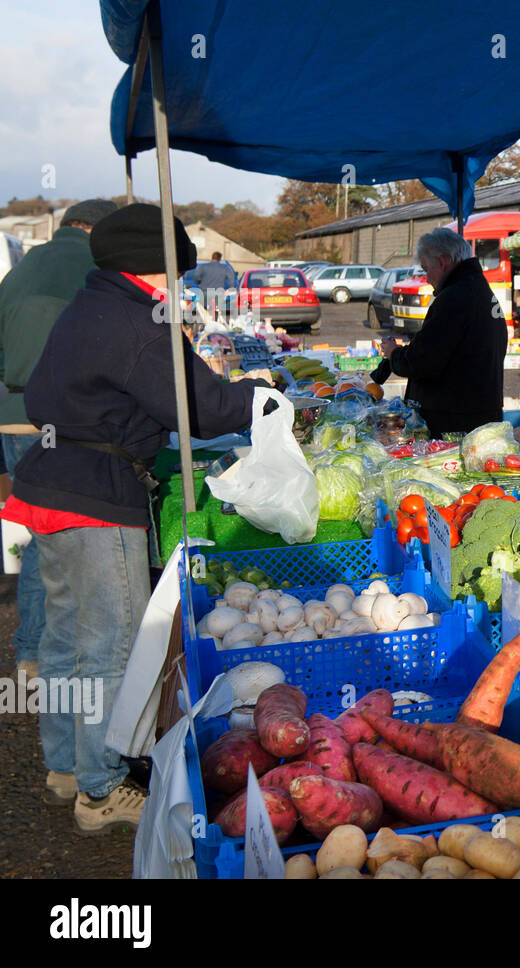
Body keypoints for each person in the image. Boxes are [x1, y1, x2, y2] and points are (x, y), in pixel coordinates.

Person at [1, 203, 269, 831]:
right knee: (112, 648)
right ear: (157, 266)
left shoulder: (90, 303)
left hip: (50, 488)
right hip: (94, 497)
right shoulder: (139, 322)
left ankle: (66, 768)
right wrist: (262, 396)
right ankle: (101, 790)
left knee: (64, 642)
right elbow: (200, 407)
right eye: (177, 268)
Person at [0, 198, 117, 683]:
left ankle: (29, 655)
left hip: (11, 418)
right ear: (96, 231)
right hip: (61, 421)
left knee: (36, 536)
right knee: (67, 541)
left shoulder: (20, 271)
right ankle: (69, 661)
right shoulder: (92, 269)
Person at [378, 229, 506, 435]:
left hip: (455, 420)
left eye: (426, 269)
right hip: (478, 410)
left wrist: (394, 353)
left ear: (443, 261)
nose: (427, 278)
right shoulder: (477, 289)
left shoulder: (456, 297)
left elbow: (423, 360)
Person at [190, 250, 237, 318]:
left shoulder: (202, 266)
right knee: (217, 310)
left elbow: (196, 276)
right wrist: (230, 289)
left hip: (205, 292)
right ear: (220, 259)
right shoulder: (225, 268)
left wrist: (198, 282)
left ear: (211, 257)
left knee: (202, 309)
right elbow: (231, 278)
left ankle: (203, 322)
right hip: (219, 293)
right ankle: (216, 320)